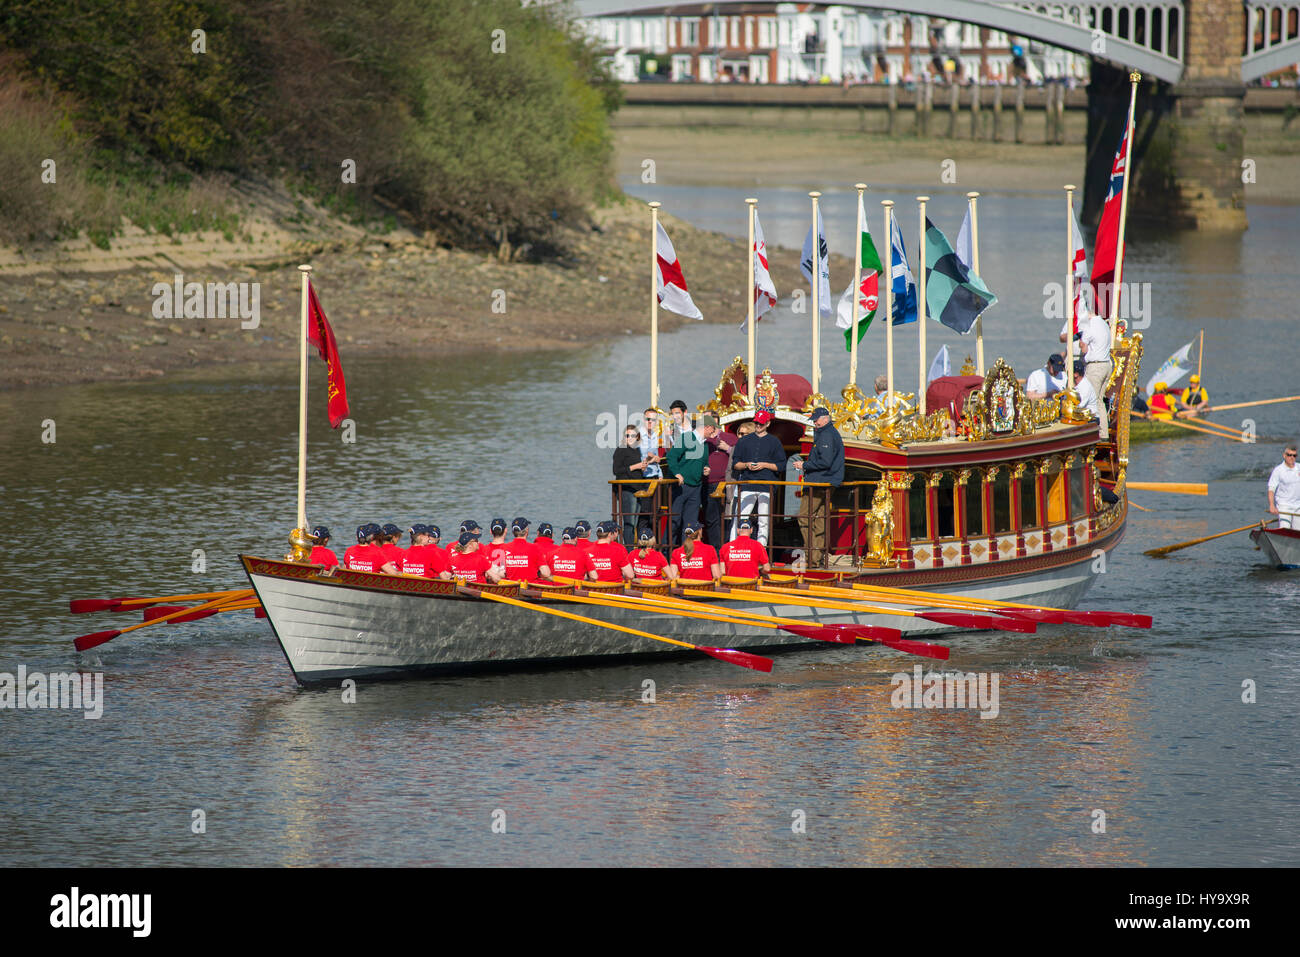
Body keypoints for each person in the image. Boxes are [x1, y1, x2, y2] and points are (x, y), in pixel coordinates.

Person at [794, 406, 844, 566]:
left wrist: (804, 465)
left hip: (819, 482)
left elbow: (825, 461)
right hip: (828, 481)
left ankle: (812, 556)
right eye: (814, 421)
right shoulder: (830, 433)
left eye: (816, 420)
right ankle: (817, 556)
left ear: (826, 418)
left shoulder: (826, 435)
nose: (814, 423)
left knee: (804, 516)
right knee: (820, 518)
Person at [730, 409, 787, 546]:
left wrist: (765, 465)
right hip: (747, 484)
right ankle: (733, 548)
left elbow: (782, 466)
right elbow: (735, 464)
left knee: (764, 520)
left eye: (761, 424)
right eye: (756, 423)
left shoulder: (775, 442)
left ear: (768, 423)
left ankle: (761, 550)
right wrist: (746, 465)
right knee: (739, 518)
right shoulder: (743, 441)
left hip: (766, 486)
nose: (758, 426)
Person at [667, 413, 719, 547]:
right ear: (707, 427)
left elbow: (704, 463)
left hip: (696, 488)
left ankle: (687, 554)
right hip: (681, 487)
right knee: (675, 521)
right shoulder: (687, 438)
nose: (714, 432)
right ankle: (666, 553)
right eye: (713, 429)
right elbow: (672, 456)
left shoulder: (705, 445)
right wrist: (677, 473)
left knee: (690, 525)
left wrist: (706, 468)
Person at [1060, 312, 1111, 438]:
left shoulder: (1090, 325)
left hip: (1095, 366)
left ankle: (1094, 434)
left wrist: (1083, 349)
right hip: (1106, 364)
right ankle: (1103, 434)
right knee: (1099, 401)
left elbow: (1083, 346)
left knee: (1091, 400)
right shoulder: (1104, 324)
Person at [613, 425, 651, 546]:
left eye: (633, 435)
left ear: (637, 437)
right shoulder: (621, 449)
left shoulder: (636, 450)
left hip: (638, 488)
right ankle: (629, 550)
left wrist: (643, 467)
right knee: (629, 522)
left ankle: (634, 547)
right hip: (626, 488)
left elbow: (636, 470)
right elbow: (616, 470)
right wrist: (636, 466)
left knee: (635, 522)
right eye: (627, 435)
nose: (630, 438)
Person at [704, 426, 737, 550]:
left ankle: (722, 549)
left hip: (724, 484)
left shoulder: (730, 437)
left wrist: (728, 448)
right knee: (710, 518)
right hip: (705, 483)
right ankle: (715, 550)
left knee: (725, 517)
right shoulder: (702, 440)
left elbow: (740, 455)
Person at [503, 517, 551, 582]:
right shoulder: (535, 548)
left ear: (513, 532)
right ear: (527, 530)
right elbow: (546, 573)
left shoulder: (504, 548)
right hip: (529, 588)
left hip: (511, 588)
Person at [1268, 444, 1300, 529]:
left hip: (1298, 506)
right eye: (1289, 455)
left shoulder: (1299, 467)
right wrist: (1272, 505)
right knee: (1285, 529)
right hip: (1284, 506)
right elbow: (1271, 489)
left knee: (1298, 532)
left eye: (1294, 455)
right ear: (1284, 455)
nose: (1292, 457)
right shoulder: (1278, 470)